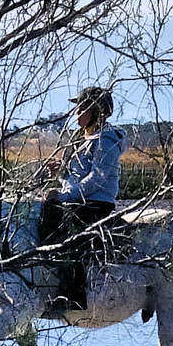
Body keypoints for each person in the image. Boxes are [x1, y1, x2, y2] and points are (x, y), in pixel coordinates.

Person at [38, 85, 128, 311]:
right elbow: (75, 176)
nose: (77, 113)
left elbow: (97, 179)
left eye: (82, 109)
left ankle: (73, 296)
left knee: (67, 237)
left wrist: (63, 196)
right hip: (77, 199)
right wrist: (59, 173)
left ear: (97, 111)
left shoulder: (106, 140)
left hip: (96, 203)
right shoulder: (81, 139)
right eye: (77, 108)